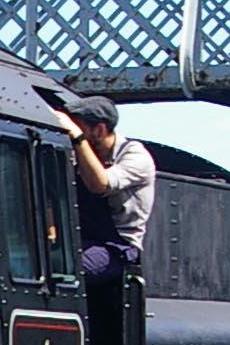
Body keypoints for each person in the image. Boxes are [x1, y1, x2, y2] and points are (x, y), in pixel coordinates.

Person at [46, 89, 156, 282]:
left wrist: (78, 138)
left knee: (66, 268)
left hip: (117, 247)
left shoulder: (135, 156)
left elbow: (100, 184)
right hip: (80, 240)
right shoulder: (79, 154)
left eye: (79, 127)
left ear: (99, 130)